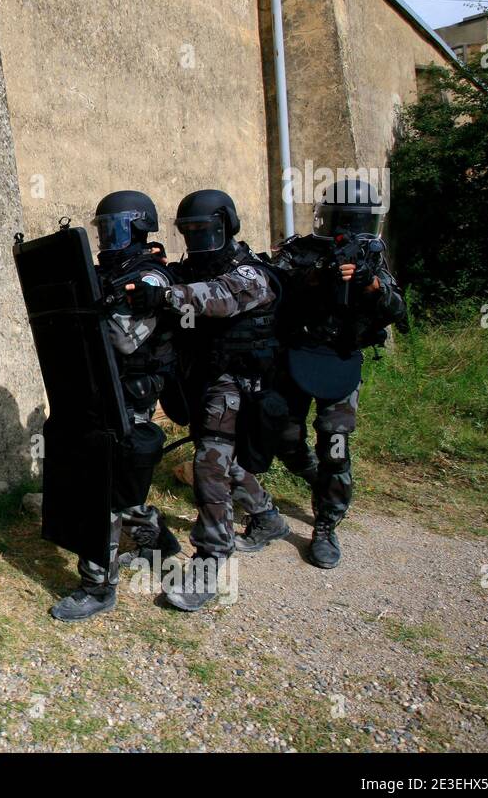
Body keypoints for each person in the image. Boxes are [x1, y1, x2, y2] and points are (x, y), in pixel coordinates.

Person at [126, 189, 288, 611]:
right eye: (189, 232)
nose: (197, 239)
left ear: (227, 226)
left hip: (241, 383)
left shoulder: (250, 274)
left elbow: (217, 297)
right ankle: (267, 516)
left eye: (205, 230)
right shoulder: (187, 271)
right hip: (203, 381)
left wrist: (164, 295)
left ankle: (211, 559)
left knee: (209, 463)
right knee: (221, 459)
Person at [50, 191, 181, 622]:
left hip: (130, 392)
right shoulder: (104, 273)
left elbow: (126, 339)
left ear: (140, 227)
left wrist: (91, 309)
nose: (107, 237)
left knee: (102, 485)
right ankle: (155, 538)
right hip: (95, 389)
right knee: (116, 480)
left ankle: (97, 585)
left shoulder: (152, 279)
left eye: (115, 227)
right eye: (102, 228)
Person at [269, 178, 406, 568]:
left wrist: (372, 286)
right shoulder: (301, 251)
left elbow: (397, 310)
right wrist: (314, 277)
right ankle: (312, 475)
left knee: (336, 441)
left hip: (342, 360)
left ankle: (326, 524)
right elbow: (271, 288)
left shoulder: (372, 258)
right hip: (298, 356)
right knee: (284, 434)